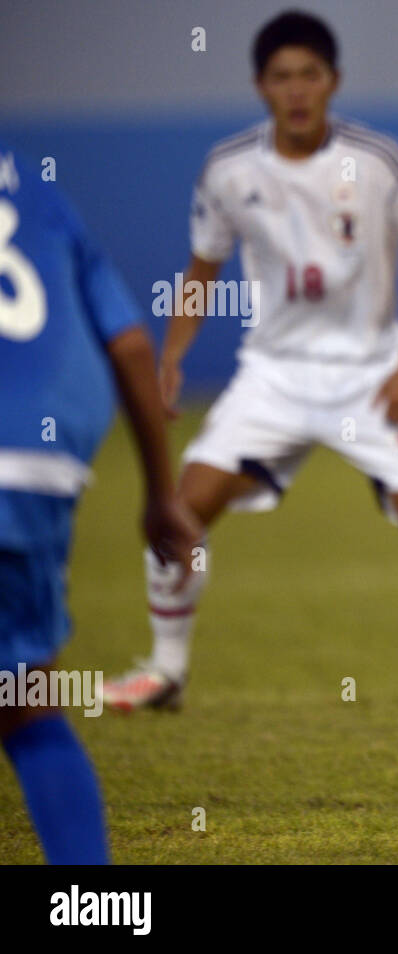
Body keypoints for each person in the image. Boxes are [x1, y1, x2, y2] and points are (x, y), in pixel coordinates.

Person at [102, 11, 398, 717]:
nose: (296, 90)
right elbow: (201, 270)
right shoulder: (229, 169)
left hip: (371, 374)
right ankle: (165, 670)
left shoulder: (378, 160)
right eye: (281, 77)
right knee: (182, 508)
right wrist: (171, 357)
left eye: (309, 75)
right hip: (273, 374)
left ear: (333, 82)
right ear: (260, 86)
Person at [0, 143, 200, 862]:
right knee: (26, 707)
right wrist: (160, 494)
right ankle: (93, 901)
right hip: (39, 467)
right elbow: (129, 346)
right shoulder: (38, 194)